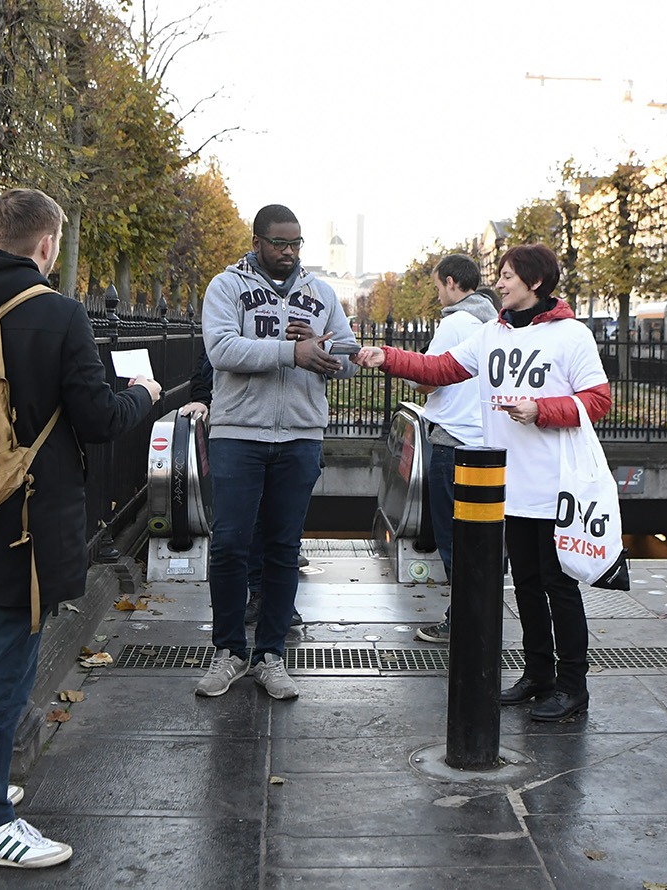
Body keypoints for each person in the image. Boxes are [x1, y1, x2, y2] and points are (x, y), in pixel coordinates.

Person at [0, 188, 160, 867]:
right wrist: (142, 394)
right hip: (27, 513)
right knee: (6, 664)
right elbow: (98, 420)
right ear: (47, 244)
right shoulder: (56, 313)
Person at [354, 244, 610, 723]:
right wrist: (384, 356)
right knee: (528, 586)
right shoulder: (492, 333)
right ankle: (539, 676)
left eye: (510, 275)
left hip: (554, 486)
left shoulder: (571, 336)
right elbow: (439, 369)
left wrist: (542, 411)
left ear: (535, 283)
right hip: (509, 487)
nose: (502, 282)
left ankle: (574, 685)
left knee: (559, 585)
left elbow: (597, 400)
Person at [194, 203, 359, 700]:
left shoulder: (321, 292)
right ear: (258, 241)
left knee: (285, 548)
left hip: (300, 435)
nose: (288, 252)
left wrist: (322, 350)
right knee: (229, 544)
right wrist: (291, 352)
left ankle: (271, 655)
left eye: (295, 244)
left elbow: (349, 360)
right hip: (238, 433)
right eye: (279, 244)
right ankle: (228, 652)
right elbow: (221, 349)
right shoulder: (226, 287)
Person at [179, 347, 307, 627]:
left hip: (293, 428)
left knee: (280, 535)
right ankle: (262, 599)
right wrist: (202, 397)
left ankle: (272, 605)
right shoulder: (235, 308)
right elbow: (212, 356)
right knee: (242, 533)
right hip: (246, 429)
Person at [407, 254, 497, 644]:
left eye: (437, 287)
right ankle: (482, 615)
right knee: (481, 539)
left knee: (452, 538)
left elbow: (428, 380)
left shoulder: (455, 323)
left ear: (450, 282)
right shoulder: (494, 322)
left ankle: (460, 620)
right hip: (487, 444)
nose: (438, 294)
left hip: (451, 441)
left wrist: (413, 379)